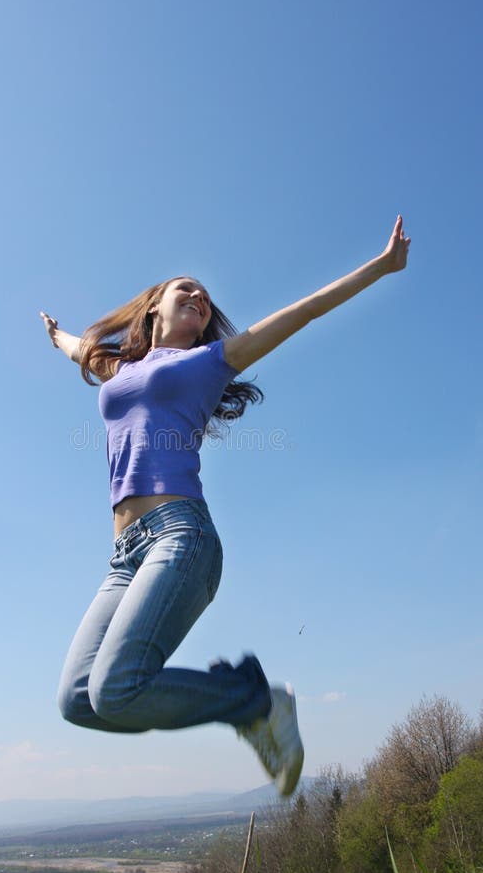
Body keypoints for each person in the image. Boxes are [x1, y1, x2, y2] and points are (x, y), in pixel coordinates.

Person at [40, 215, 411, 796]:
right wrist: (57, 335)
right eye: (185, 288)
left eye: (206, 298)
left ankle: (256, 701)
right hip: (123, 559)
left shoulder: (208, 364)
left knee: (115, 690)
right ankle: (249, 704)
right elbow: (83, 352)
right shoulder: (121, 370)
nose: (199, 296)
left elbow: (307, 309)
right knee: (77, 700)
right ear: (153, 307)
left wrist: (380, 266)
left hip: (178, 536)